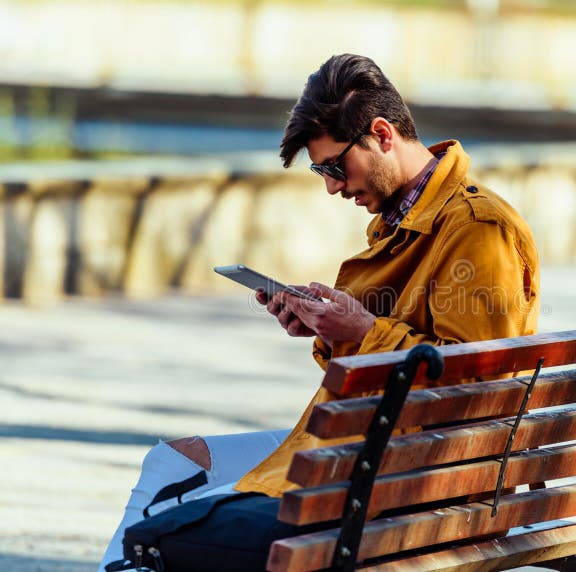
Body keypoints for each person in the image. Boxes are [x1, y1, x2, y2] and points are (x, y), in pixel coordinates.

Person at [99, 53, 540, 571]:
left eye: (334, 167)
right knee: (170, 462)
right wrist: (330, 331)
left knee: (177, 522)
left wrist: (363, 329)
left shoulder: (476, 229)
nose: (331, 186)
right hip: (371, 448)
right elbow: (398, 348)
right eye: (320, 171)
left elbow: (481, 385)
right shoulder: (406, 221)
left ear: (382, 134)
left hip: (417, 473)